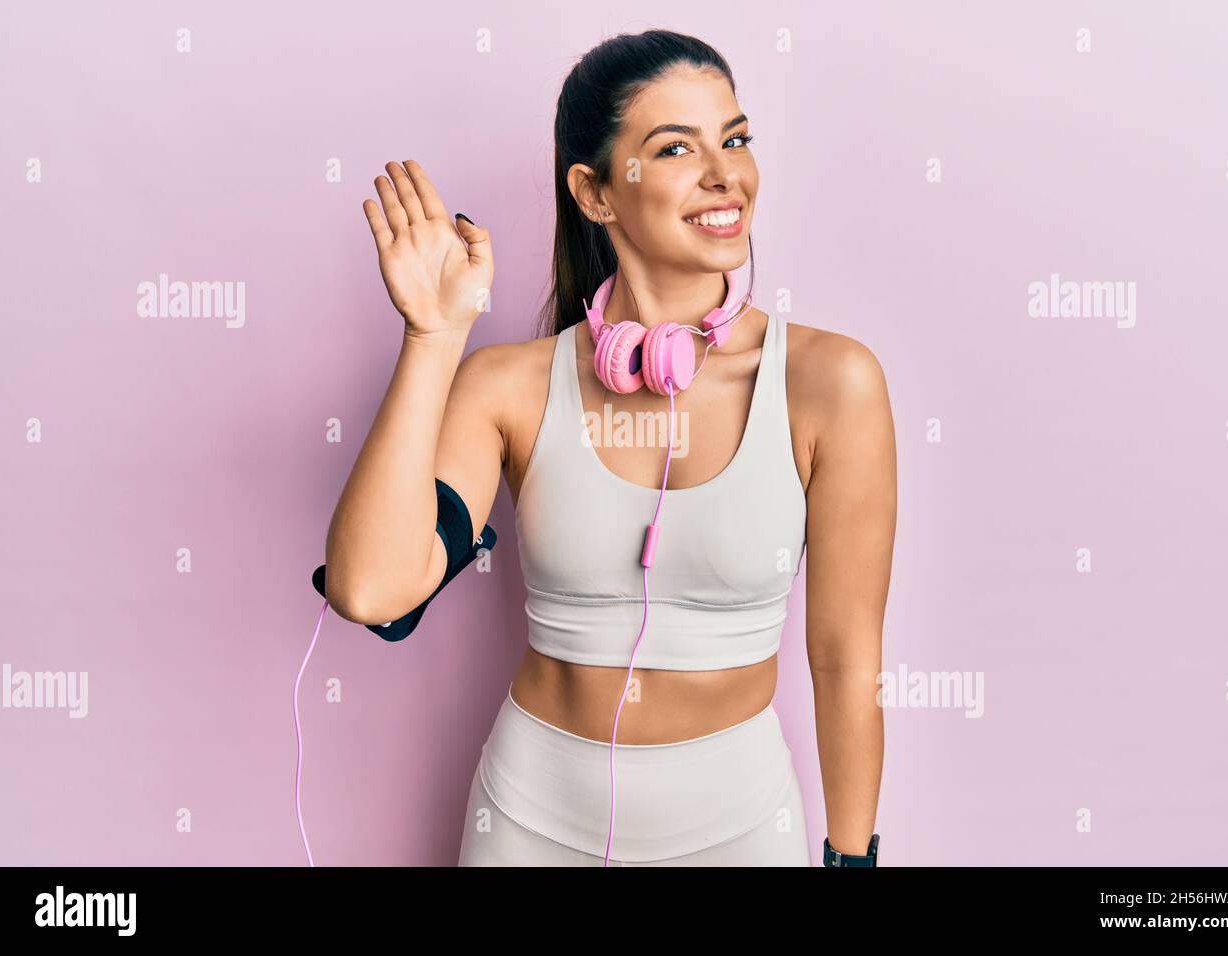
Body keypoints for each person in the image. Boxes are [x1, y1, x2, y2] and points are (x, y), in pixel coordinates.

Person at [322, 29, 896, 866]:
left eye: (735, 139)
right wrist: (434, 337)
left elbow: (846, 659)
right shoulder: (509, 387)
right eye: (676, 149)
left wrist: (853, 861)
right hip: (527, 824)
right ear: (595, 193)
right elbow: (370, 588)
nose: (725, 175)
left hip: (740, 828)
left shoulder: (830, 383)